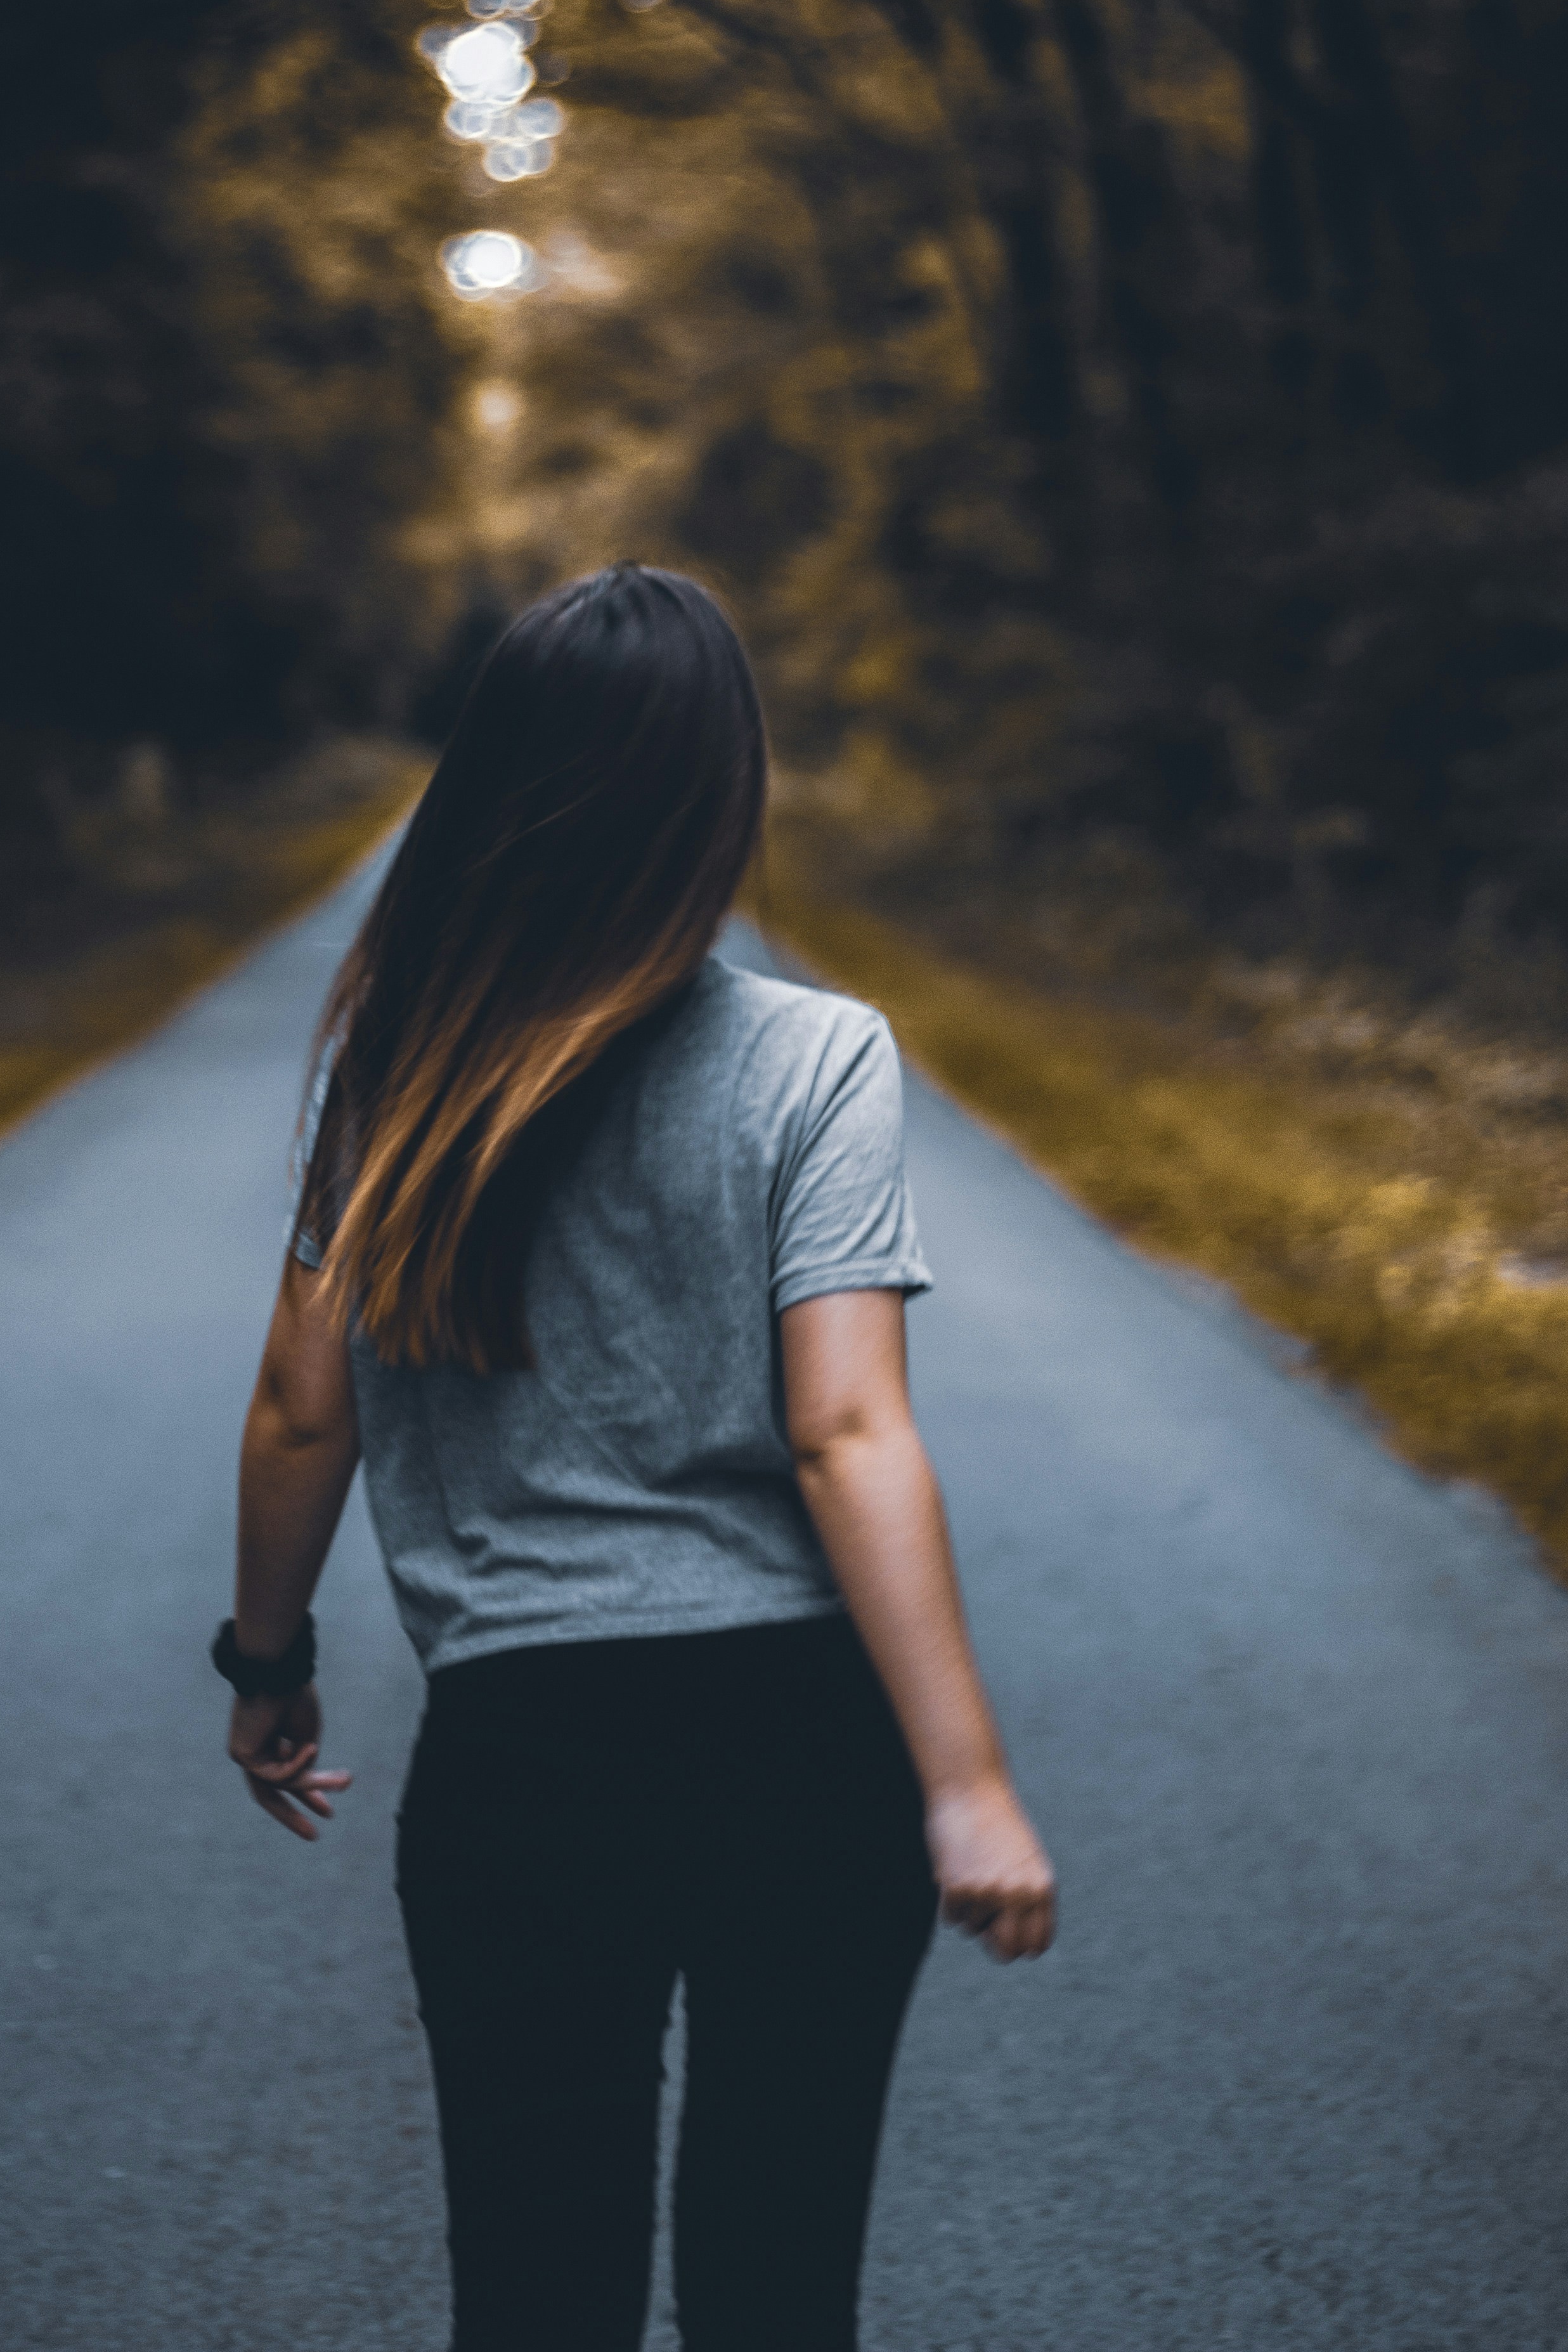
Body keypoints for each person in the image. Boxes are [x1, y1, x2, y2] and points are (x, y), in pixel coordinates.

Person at [215, 564, 1056, 2352]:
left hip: (523, 1760)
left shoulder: (398, 1069)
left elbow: (301, 1407)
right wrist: (965, 1777)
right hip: (801, 1748)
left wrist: (265, 1665)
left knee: (537, 2297)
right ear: (721, 797)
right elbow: (846, 1427)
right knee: (777, 2292)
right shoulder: (819, 1058)